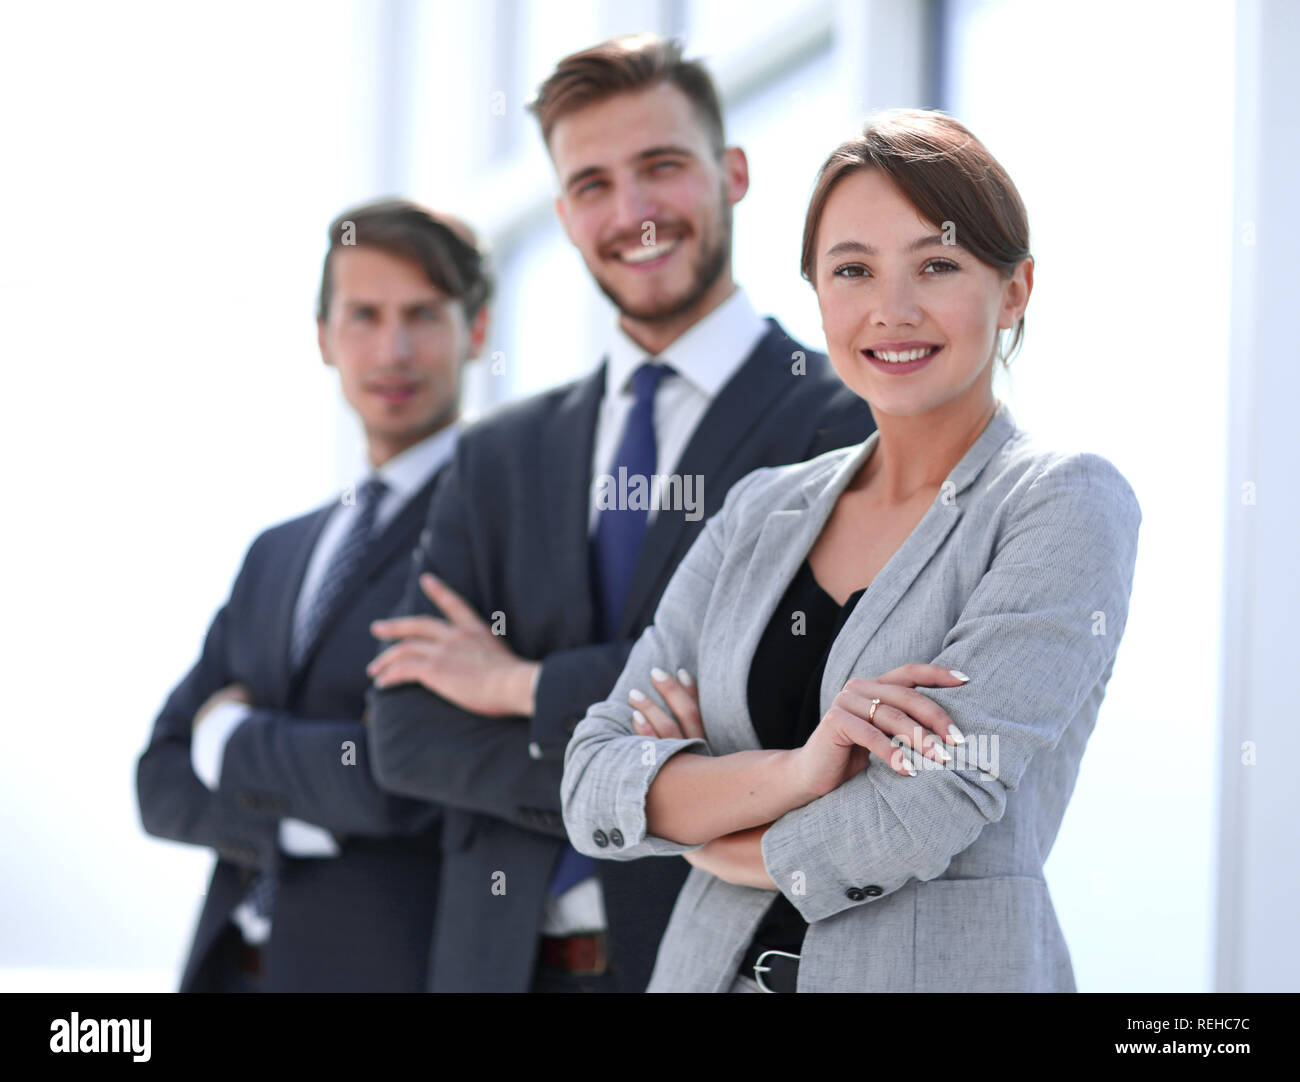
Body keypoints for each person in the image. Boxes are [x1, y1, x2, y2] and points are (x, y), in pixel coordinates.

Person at [560, 109, 1143, 993]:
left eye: (937, 265)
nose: (892, 310)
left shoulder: (1062, 503)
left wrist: (707, 824)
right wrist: (803, 769)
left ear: (1015, 289)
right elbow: (595, 778)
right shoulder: (761, 510)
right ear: (818, 293)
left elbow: (934, 802)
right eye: (853, 271)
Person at [363, 34, 893, 993]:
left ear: (731, 174)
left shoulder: (845, 421)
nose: (634, 212)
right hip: (497, 968)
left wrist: (522, 688)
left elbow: (803, 701)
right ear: (565, 214)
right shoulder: (501, 453)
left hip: (719, 964)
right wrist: (682, 784)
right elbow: (407, 734)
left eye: (662, 168)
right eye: (595, 185)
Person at [134, 199, 491, 991]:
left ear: (476, 329)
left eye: (423, 315)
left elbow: (402, 781)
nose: (392, 348)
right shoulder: (279, 551)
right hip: (231, 970)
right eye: (363, 315)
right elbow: (157, 780)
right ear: (323, 337)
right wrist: (306, 819)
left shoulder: (496, 528)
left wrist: (225, 739)